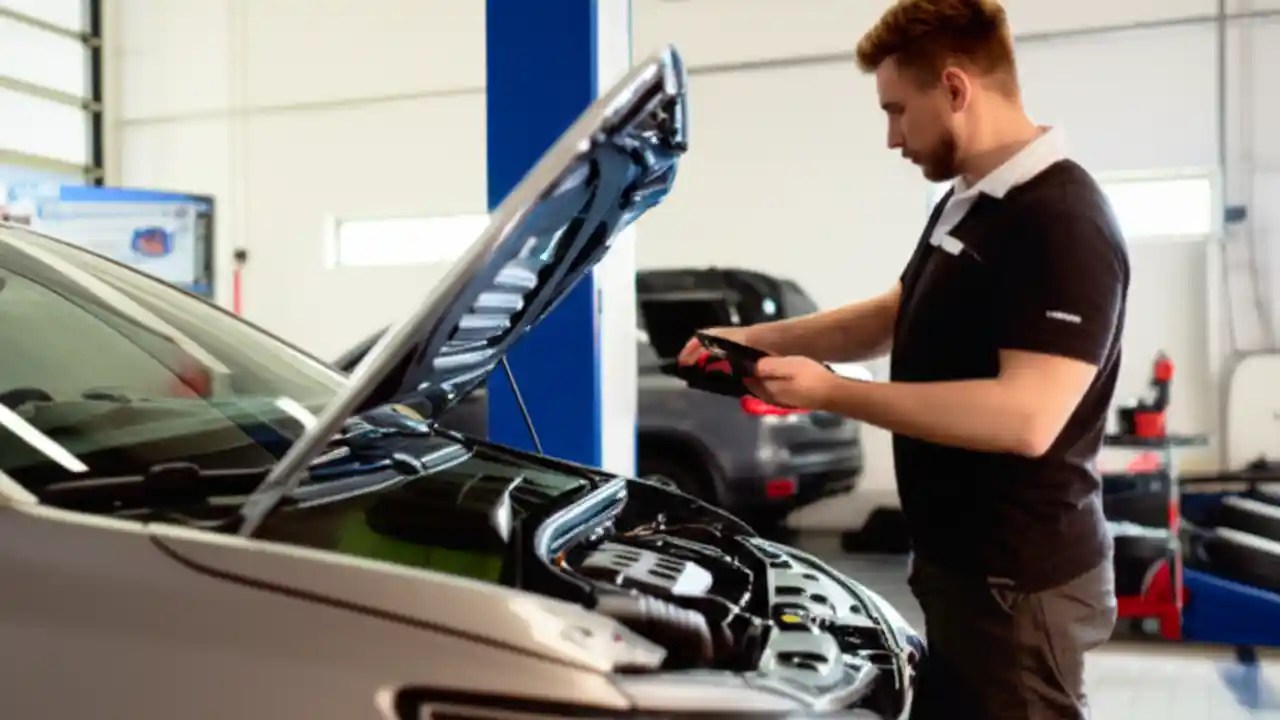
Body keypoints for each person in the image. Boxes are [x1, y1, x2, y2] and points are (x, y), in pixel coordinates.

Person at [678, 1, 1129, 717]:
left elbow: (1026, 417)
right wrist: (761, 342)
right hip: (964, 568)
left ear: (955, 89)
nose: (891, 138)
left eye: (896, 111)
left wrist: (830, 393)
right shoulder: (971, 201)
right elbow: (899, 309)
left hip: (1019, 581)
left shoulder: (1060, 221)